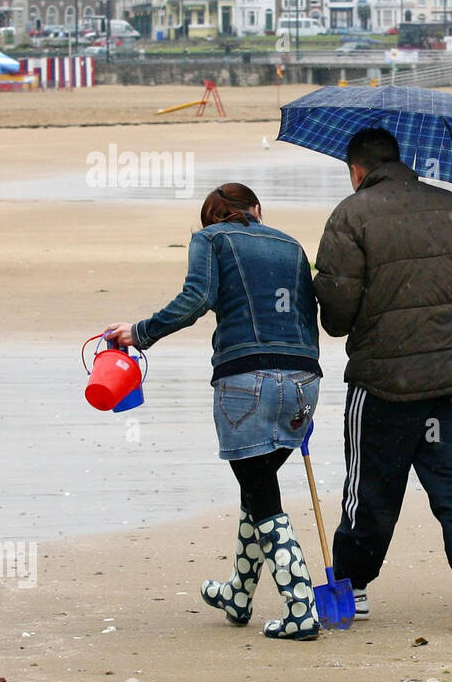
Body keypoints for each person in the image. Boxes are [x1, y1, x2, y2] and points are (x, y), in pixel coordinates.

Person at [105, 183, 322, 640]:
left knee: (261, 494)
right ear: (257, 210)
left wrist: (139, 332)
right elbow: (307, 313)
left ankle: (301, 604)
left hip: (245, 380)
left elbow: (196, 298)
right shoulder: (292, 245)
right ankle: (238, 594)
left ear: (213, 219)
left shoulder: (211, 240)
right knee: (256, 482)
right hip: (305, 380)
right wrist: (302, 378)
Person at [313, 127, 452, 632]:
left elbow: (336, 309)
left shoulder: (350, 214)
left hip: (383, 381)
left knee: (370, 489)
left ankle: (353, 588)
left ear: (356, 168)